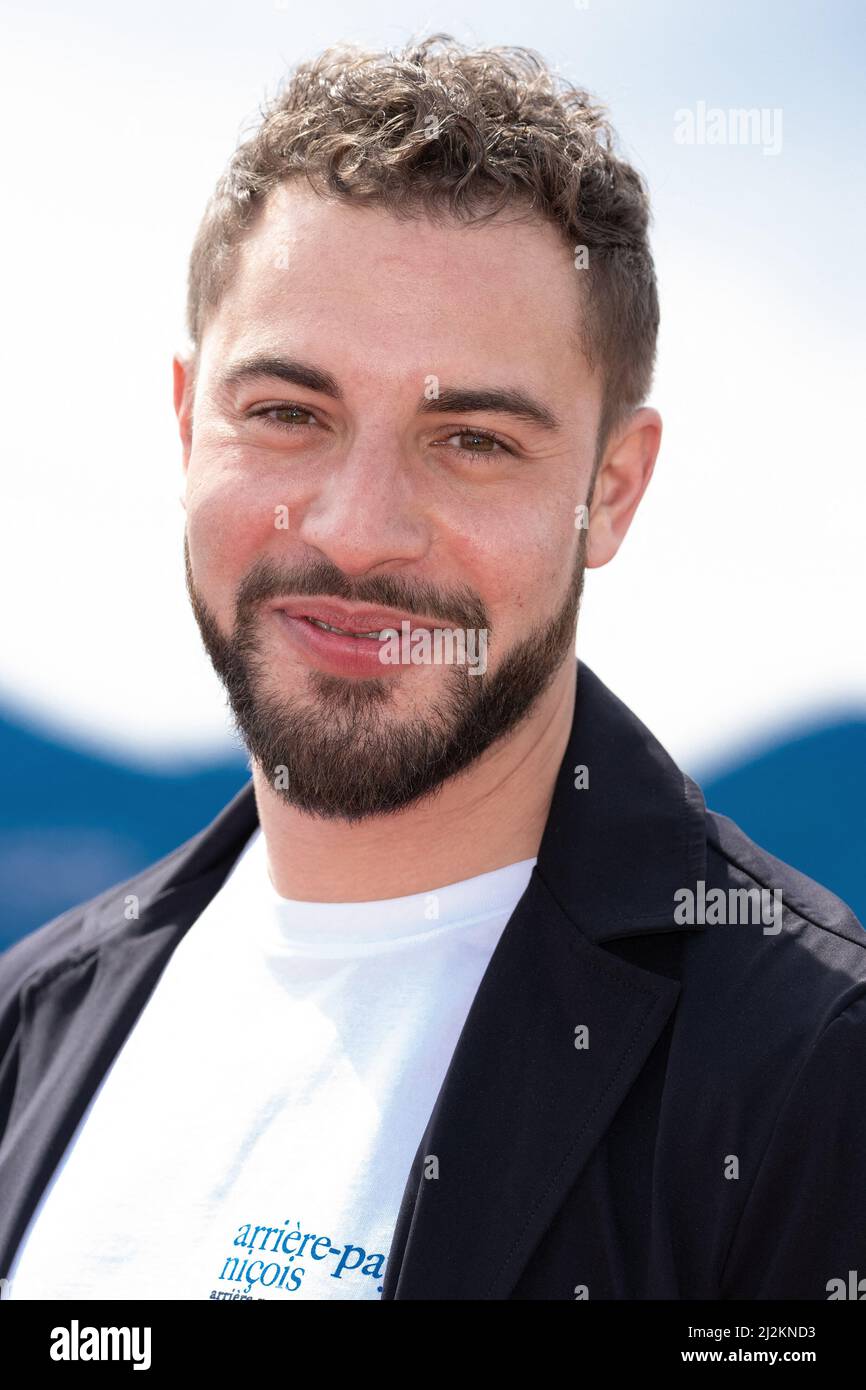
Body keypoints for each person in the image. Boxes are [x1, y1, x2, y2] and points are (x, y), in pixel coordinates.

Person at [1, 33, 863, 1302]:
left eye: (469, 438)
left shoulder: (807, 1077)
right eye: (288, 413)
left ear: (609, 492)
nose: (353, 529)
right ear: (188, 426)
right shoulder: (33, 1024)